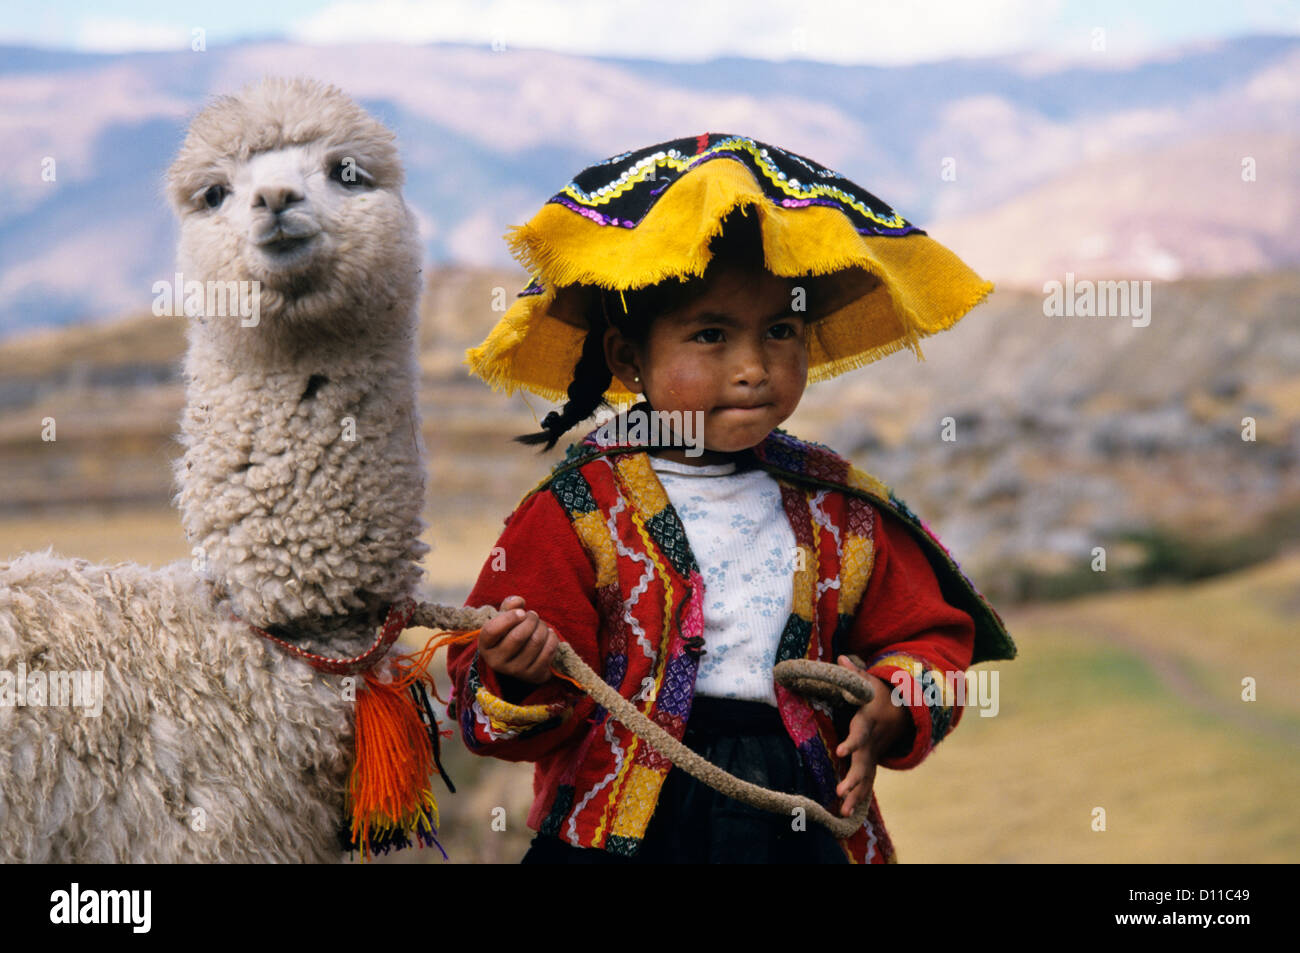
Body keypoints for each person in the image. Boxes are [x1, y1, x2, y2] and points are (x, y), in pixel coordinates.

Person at [446, 134, 1016, 863]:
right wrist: (518, 670)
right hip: (624, 838)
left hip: (801, 824)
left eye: (781, 331)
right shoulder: (575, 511)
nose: (753, 367)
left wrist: (889, 706)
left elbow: (931, 641)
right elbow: (486, 699)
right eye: (711, 334)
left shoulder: (839, 509)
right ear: (628, 357)